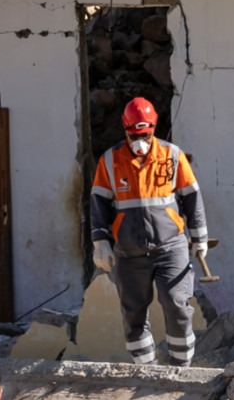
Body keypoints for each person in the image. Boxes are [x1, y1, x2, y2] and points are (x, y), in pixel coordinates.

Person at [88, 97, 208, 365]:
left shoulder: (172, 156)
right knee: (133, 313)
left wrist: (199, 237)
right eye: (134, 135)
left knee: (176, 305)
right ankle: (146, 371)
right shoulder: (110, 161)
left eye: (145, 134)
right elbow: (98, 202)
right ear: (125, 130)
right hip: (129, 252)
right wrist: (100, 242)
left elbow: (192, 197)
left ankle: (182, 370)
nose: (140, 140)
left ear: (153, 127)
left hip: (170, 248)